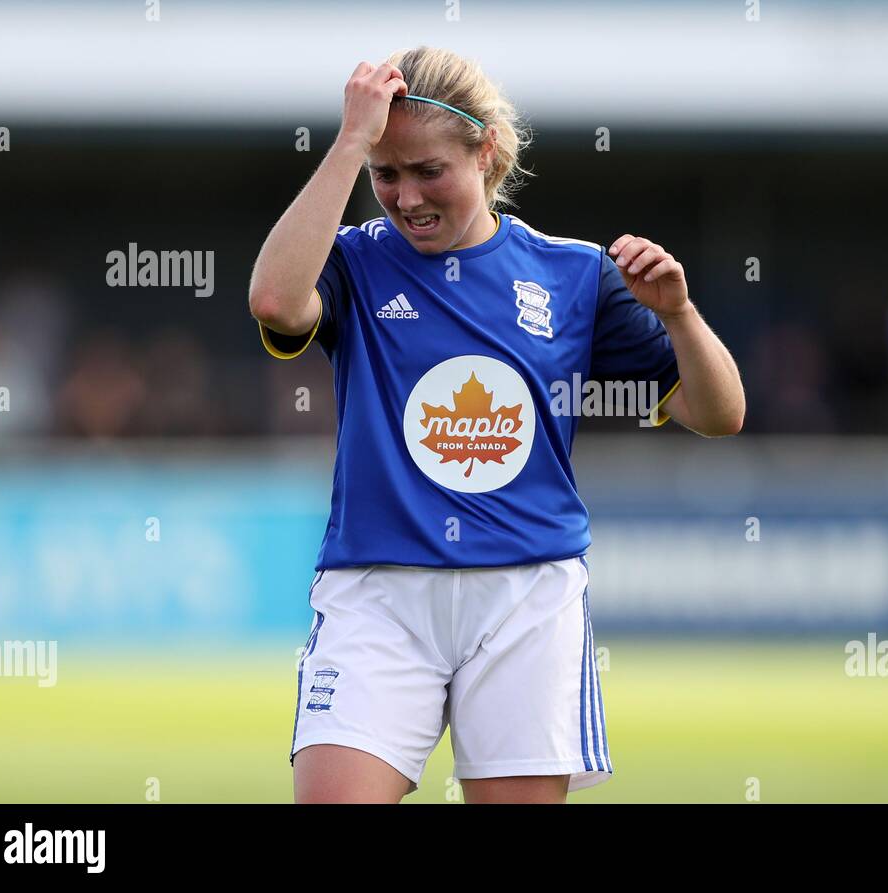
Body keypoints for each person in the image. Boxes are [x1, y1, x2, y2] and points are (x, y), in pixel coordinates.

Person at [248, 46, 745, 804]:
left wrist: (678, 314)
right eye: (386, 173)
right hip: (378, 591)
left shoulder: (574, 275)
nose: (405, 195)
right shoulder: (352, 262)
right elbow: (277, 305)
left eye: (428, 171)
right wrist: (350, 142)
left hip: (525, 597)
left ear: (486, 152)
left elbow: (720, 413)